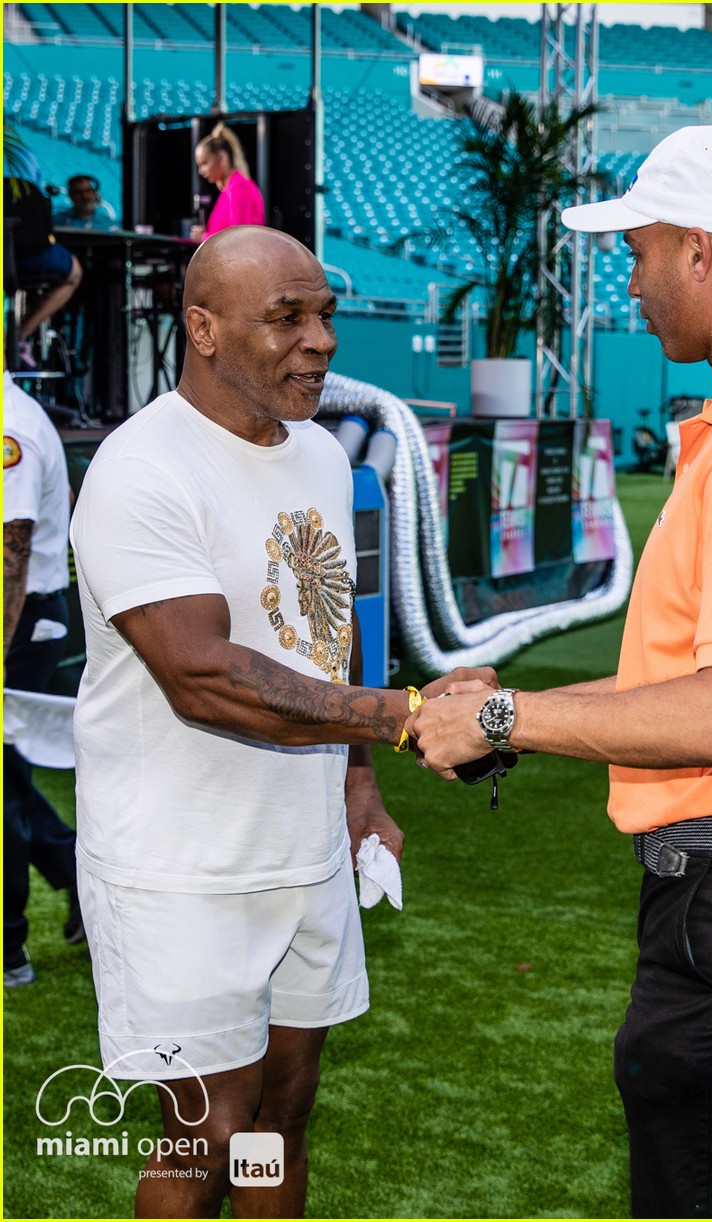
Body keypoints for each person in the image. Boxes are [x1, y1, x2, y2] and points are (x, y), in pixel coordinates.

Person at [407, 123, 712, 1220]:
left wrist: (505, 718)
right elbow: (701, 683)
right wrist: (512, 708)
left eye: (638, 254)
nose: (629, 285)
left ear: (700, 249)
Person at [69, 225, 486, 1218]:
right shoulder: (141, 469)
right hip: (177, 867)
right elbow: (204, 675)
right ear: (202, 328)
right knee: (207, 1131)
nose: (321, 340)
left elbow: (329, 630)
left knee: (282, 1115)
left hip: (302, 852)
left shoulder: (320, 459)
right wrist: (406, 716)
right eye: (286, 316)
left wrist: (355, 782)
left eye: (326, 313)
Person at [3, 364, 84, 987]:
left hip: (21, 618)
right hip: (25, 614)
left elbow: (14, 549)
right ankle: (79, 884)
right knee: (10, 777)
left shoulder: (13, 425)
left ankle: (9, 950)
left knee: (4, 787)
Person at [3, 155, 83, 366]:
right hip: (31, 254)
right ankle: (18, 337)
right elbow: (35, 209)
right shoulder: (23, 153)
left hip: (15, 257)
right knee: (74, 273)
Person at [189, 121, 265, 244]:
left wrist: (204, 237)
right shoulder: (230, 189)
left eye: (204, 164)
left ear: (222, 159)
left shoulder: (239, 188)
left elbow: (239, 239)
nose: (201, 171)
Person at [52, 174, 118, 230]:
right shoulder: (56, 221)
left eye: (88, 191)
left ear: (96, 194)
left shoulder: (109, 225)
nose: (85, 196)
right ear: (71, 196)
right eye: (78, 192)